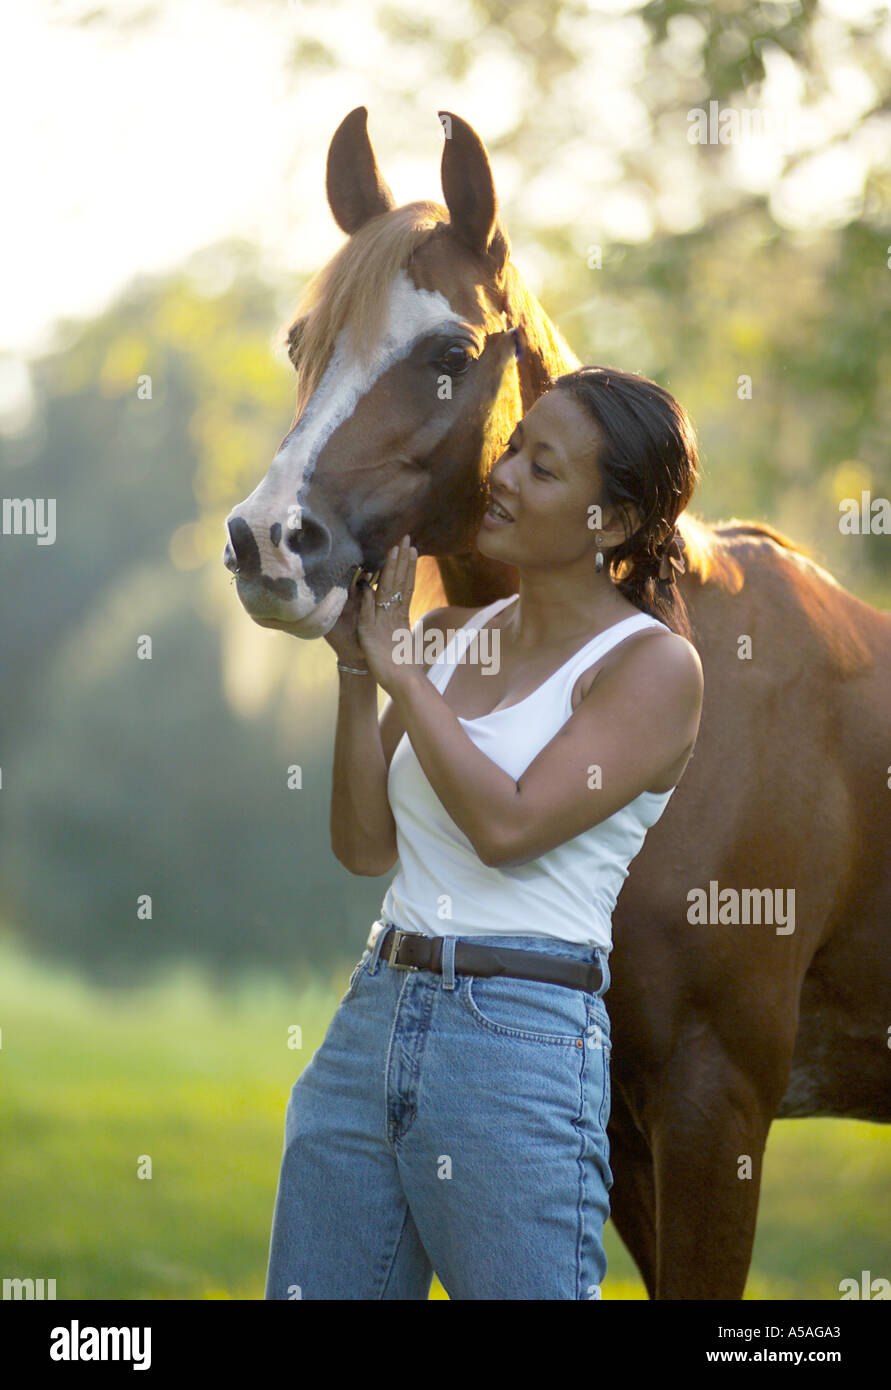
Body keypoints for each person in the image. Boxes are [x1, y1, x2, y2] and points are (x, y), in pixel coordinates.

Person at [264, 365, 704, 1300]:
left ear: (612, 524)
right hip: (373, 1014)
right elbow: (365, 847)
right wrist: (357, 674)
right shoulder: (453, 632)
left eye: (543, 469)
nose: (502, 475)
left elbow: (510, 825)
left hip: (516, 1043)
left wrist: (405, 680)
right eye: (514, 448)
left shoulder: (653, 670)